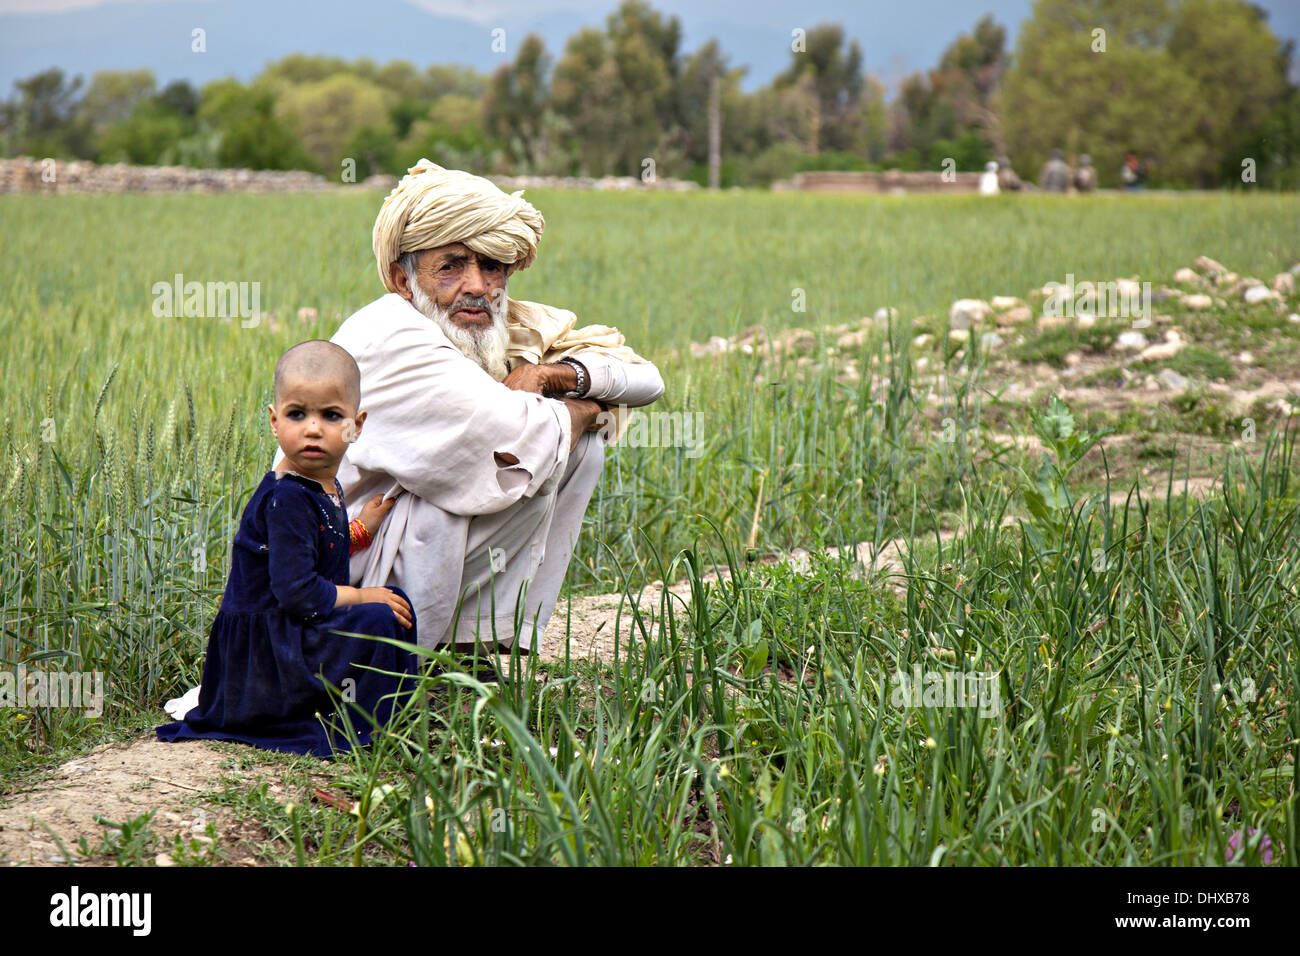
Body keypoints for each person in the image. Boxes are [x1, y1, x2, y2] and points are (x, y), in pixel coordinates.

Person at [277, 159, 665, 657]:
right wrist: (587, 409)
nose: (478, 286)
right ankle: (415, 651)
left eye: (492, 266)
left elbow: (647, 380)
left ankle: (479, 642)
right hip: (342, 572)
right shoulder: (393, 336)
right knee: (515, 456)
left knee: (573, 447)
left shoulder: (502, 329)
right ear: (402, 278)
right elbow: (510, 434)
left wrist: (553, 375)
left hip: (383, 553)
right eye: (452, 265)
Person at [157, 341, 422, 757]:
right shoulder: (287, 498)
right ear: (274, 421)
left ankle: (372, 715)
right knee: (377, 614)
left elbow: (315, 546)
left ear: (357, 425)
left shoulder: (321, 485)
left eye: (331, 416)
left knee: (393, 607)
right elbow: (298, 592)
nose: (313, 428)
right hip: (269, 652)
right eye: (298, 414)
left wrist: (361, 530)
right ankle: (359, 727)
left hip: (291, 634)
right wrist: (362, 595)